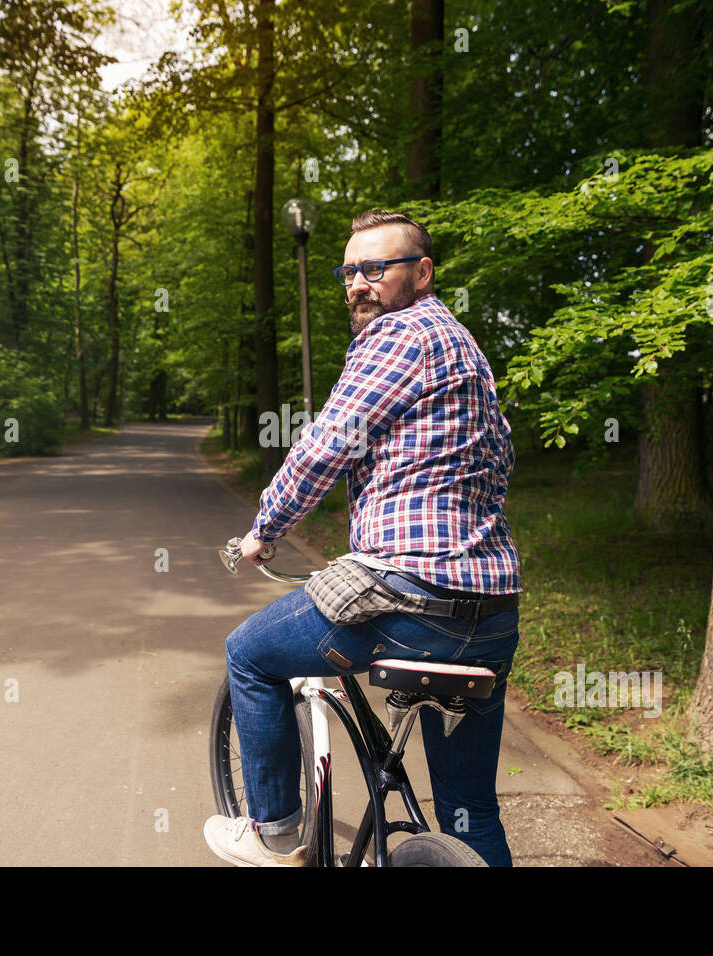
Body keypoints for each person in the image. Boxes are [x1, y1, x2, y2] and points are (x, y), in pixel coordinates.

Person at [203, 209, 521, 867]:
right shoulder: (465, 347)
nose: (358, 283)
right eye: (349, 270)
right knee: (470, 811)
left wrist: (264, 532)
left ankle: (276, 830)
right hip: (490, 616)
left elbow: (326, 446)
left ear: (422, 272)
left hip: (406, 599)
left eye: (376, 268)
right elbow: (501, 458)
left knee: (249, 654)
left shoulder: (399, 336)